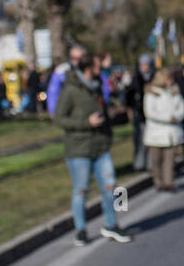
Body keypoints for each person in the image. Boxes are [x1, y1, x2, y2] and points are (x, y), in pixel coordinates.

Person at [53, 53, 132, 245]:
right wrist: (86, 123)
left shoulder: (96, 87)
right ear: (88, 68)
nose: (102, 70)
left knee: (112, 186)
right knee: (81, 190)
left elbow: (102, 113)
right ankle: (81, 230)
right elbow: (59, 118)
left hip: (100, 146)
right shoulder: (71, 89)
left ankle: (112, 224)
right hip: (79, 149)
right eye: (98, 66)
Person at [142, 68, 184, 192]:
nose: (171, 81)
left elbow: (182, 107)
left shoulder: (174, 91)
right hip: (156, 133)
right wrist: (168, 118)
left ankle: (169, 182)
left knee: (170, 160)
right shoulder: (151, 93)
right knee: (156, 161)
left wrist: (177, 117)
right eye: (169, 79)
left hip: (171, 133)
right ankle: (158, 182)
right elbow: (150, 112)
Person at [127, 54, 154, 172]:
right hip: (140, 113)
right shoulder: (136, 79)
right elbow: (129, 95)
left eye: (146, 64)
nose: (144, 67)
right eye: (142, 65)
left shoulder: (154, 77)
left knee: (152, 141)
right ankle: (139, 164)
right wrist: (134, 106)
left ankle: (150, 164)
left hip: (153, 114)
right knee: (140, 140)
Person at [46, 44, 85, 117]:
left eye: (79, 58)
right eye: (74, 58)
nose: (76, 61)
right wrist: (53, 110)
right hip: (67, 111)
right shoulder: (61, 70)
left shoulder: (88, 69)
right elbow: (53, 92)